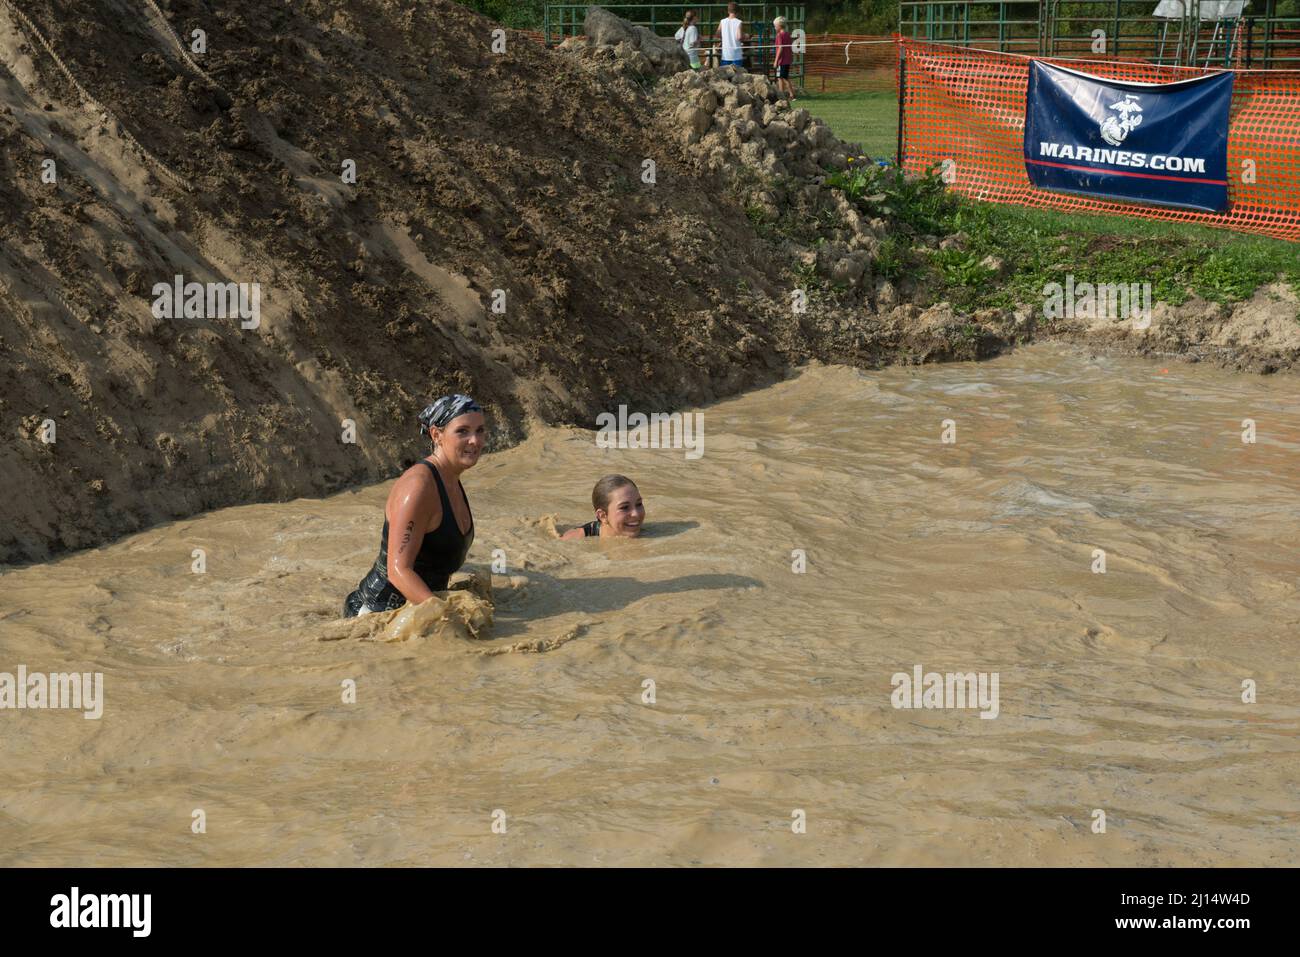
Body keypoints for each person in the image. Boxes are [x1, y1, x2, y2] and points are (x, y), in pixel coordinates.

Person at [342, 394, 483, 617]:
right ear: (437, 434)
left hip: (417, 609)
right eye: (462, 431)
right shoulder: (418, 487)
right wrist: (449, 617)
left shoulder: (451, 480)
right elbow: (399, 571)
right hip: (375, 615)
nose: (475, 440)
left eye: (480, 431)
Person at [560, 475, 645, 540]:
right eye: (624, 507)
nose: (636, 514)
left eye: (639, 504)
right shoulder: (576, 538)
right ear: (602, 516)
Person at [773, 16, 795, 101]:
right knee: (780, 77)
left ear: (779, 25)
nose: (775, 27)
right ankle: (781, 95)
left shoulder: (779, 35)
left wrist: (776, 61)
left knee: (784, 78)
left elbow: (780, 48)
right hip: (787, 59)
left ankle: (792, 95)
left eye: (775, 26)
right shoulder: (787, 35)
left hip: (782, 61)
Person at [718, 2, 744, 69]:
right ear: (737, 12)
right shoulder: (739, 22)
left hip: (725, 54)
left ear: (728, 11)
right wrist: (745, 36)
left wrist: (724, 37)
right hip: (736, 54)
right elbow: (739, 37)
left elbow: (717, 34)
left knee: (725, 76)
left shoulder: (722, 21)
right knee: (737, 76)